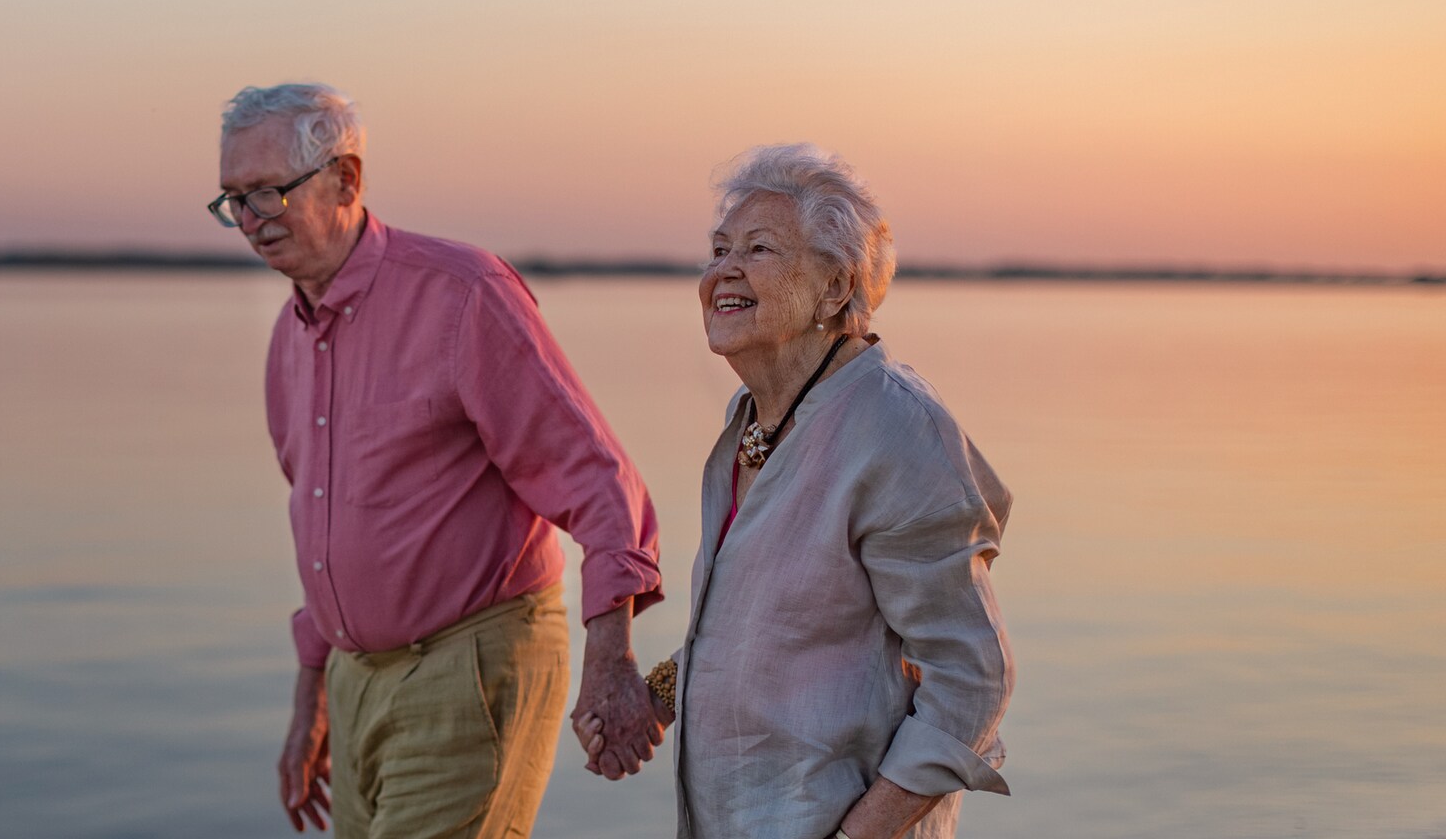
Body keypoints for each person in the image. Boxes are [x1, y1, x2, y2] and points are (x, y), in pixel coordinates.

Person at [212, 83, 665, 837]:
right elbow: (319, 524)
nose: (251, 221)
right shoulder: (291, 334)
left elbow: (598, 479)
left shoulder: (463, 294)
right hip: (355, 682)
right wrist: (312, 696)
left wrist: (611, 655)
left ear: (346, 180)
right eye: (233, 200)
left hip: (470, 669)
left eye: (267, 193)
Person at [575, 143, 1014, 839]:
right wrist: (653, 698)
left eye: (758, 249)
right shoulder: (753, 418)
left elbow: (974, 679)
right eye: (719, 249)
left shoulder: (896, 431)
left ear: (835, 289)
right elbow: (758, 633)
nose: (724, 270)